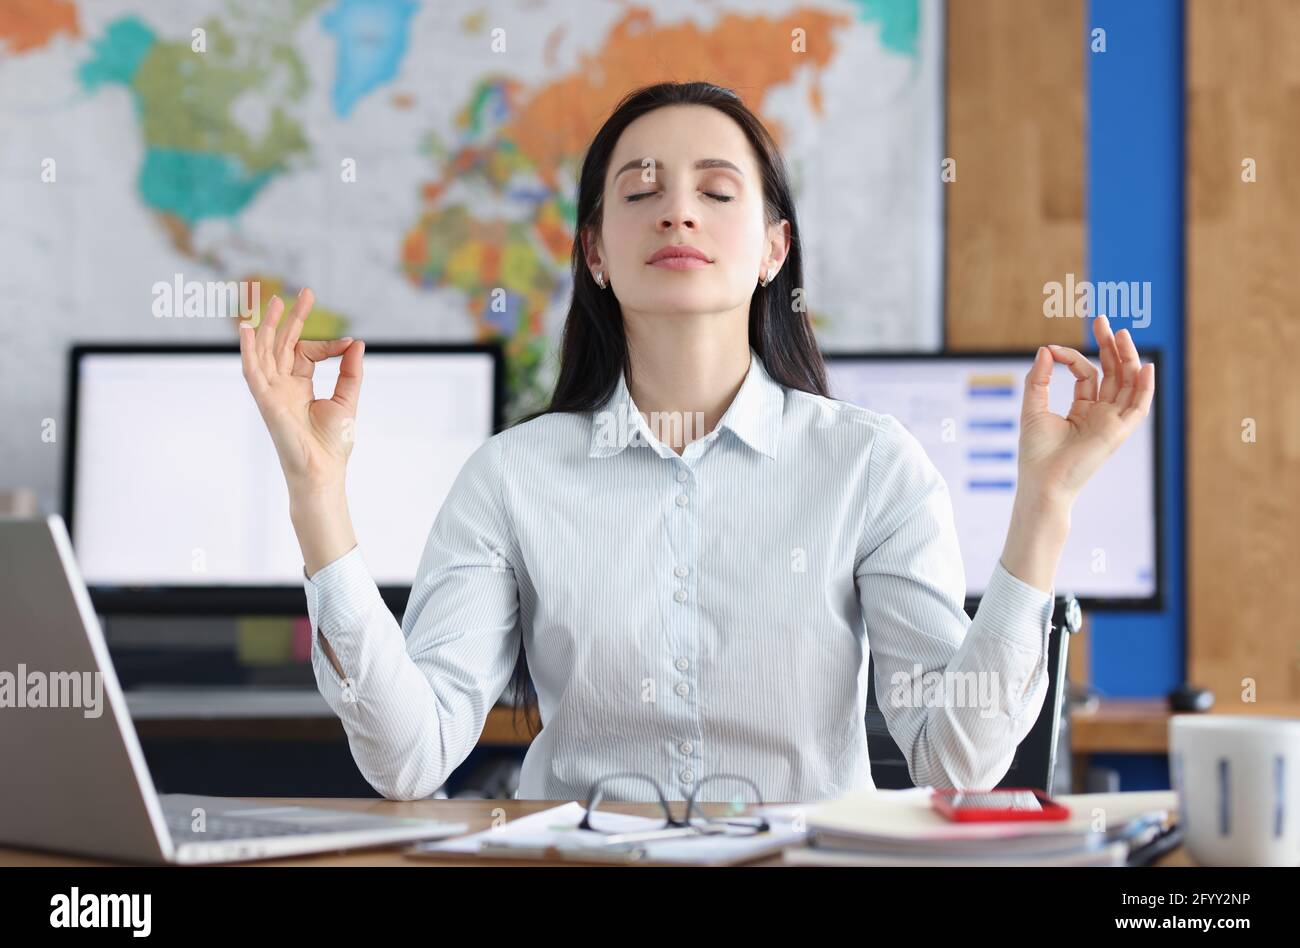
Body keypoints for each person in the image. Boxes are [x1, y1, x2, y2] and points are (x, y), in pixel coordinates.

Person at [237, 81, 1155, 804]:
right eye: (641, 191)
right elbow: (409, 758)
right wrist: (316, 491)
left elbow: (955, 763)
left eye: (717, 191)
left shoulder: (871, 467)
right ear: (596, 252)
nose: (677, 212)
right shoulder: (511, 478)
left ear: (773, 249)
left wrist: (1047, 503)